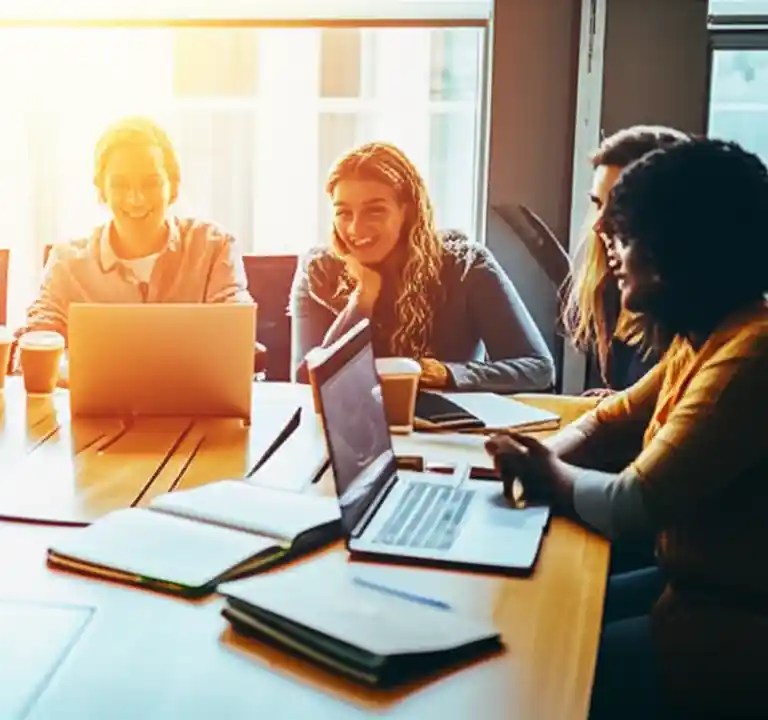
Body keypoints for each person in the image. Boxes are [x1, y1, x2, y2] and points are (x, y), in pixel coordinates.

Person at [487, 139, 768, 719]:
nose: (609, 249)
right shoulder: (707, 337)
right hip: (690, 590)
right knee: (534, 613)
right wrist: (540, 452)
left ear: (672, 252)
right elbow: (607, 422)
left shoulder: (749, 357)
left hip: (728, 635)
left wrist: (542, 472)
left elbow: (631, 503)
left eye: (625, 235)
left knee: (530, 669)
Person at [290, 142, 554, 392]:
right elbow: (305, 381)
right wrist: (361, 300)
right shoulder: (319, 272)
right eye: (343, 212)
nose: (355, 228)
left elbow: (538, 369)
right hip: (356, 430)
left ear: (408, 211)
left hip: (448, 431)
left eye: (375, 211)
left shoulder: (466, 265)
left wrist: (446, 374)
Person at [23, 116, 253, 338]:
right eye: (120, 185)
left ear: (173, 187)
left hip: (194, 380)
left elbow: (237, 339)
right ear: (102, 191)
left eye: (151, 183)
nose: (136, 199)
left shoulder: (213, 248)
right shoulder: (67, 264)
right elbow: (33, 347)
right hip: (97, 380)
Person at [562, 125, 687, 395]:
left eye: (619, 206)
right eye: (597, 204)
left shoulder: (701, 327)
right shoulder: (612, 289)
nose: (599, 225)